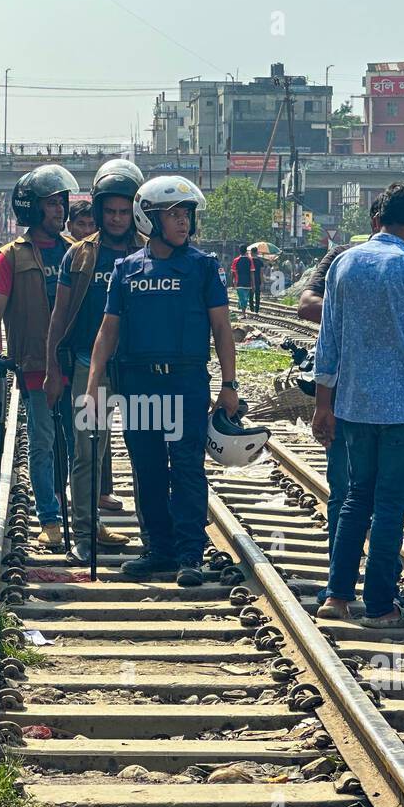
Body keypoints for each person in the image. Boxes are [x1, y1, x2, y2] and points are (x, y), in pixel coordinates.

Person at [84, 176, 238, 586]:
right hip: (137, 382)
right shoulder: (126, 270)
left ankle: (190, 554)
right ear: (149, 218)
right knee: (147, 468)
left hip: (186, 381)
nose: (184, 223)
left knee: (187, 467)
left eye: (187, 214)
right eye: (174, 215)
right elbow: (107, 330)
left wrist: (230, 384)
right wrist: (93, 383)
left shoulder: (204, 268)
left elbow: (222, 329)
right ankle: (158, 551)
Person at [312, 184, 404, 626]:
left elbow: (327, 340)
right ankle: (380, 606)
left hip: (353, 406)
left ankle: (336, 595)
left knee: (355, 497)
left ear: (379, 218)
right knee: (390, 504)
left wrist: (322, 404)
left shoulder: (343, 264)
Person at [44, 159, 142, 563]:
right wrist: (52, 368)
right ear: (99, 211)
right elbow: (60, 315)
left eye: (124, 211)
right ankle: (84, 533)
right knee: (87, 450)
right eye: (110, 211)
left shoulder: (148, 251)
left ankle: (156, 532)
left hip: (137, 367)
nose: (117, 219)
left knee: (145, 449)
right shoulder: (80, 255)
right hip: (88, 365)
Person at [0, 165, 81, 549]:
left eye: (62, 202)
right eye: (52, 203)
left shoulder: (76, 253)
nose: (60, 210)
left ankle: (84, 518)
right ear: (32, 209)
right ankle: (50, 517)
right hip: (34, 367)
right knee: (43, 442)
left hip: (77, 364)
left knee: (79, 444)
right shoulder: (10, 256)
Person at [298, 193, 384, 599]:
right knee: (344, 487)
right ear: (373, 220)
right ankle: (340, 578)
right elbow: (307, 304)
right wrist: (357, 308)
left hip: (391, 395)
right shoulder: (342, 257)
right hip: (344, 388)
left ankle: (383, 581)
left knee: (386, 495)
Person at [231, 243, 255, 314]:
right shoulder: (250, 260)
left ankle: (242, 311)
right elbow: (252, 273)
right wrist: (253, 284)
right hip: (248, 283)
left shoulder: (236, 260)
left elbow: (233, 272)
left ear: (239, 251)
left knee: (242, 298)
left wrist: (232, 282)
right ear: (246, 251)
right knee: (244, 299)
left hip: (239, 283)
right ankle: (243, 313)